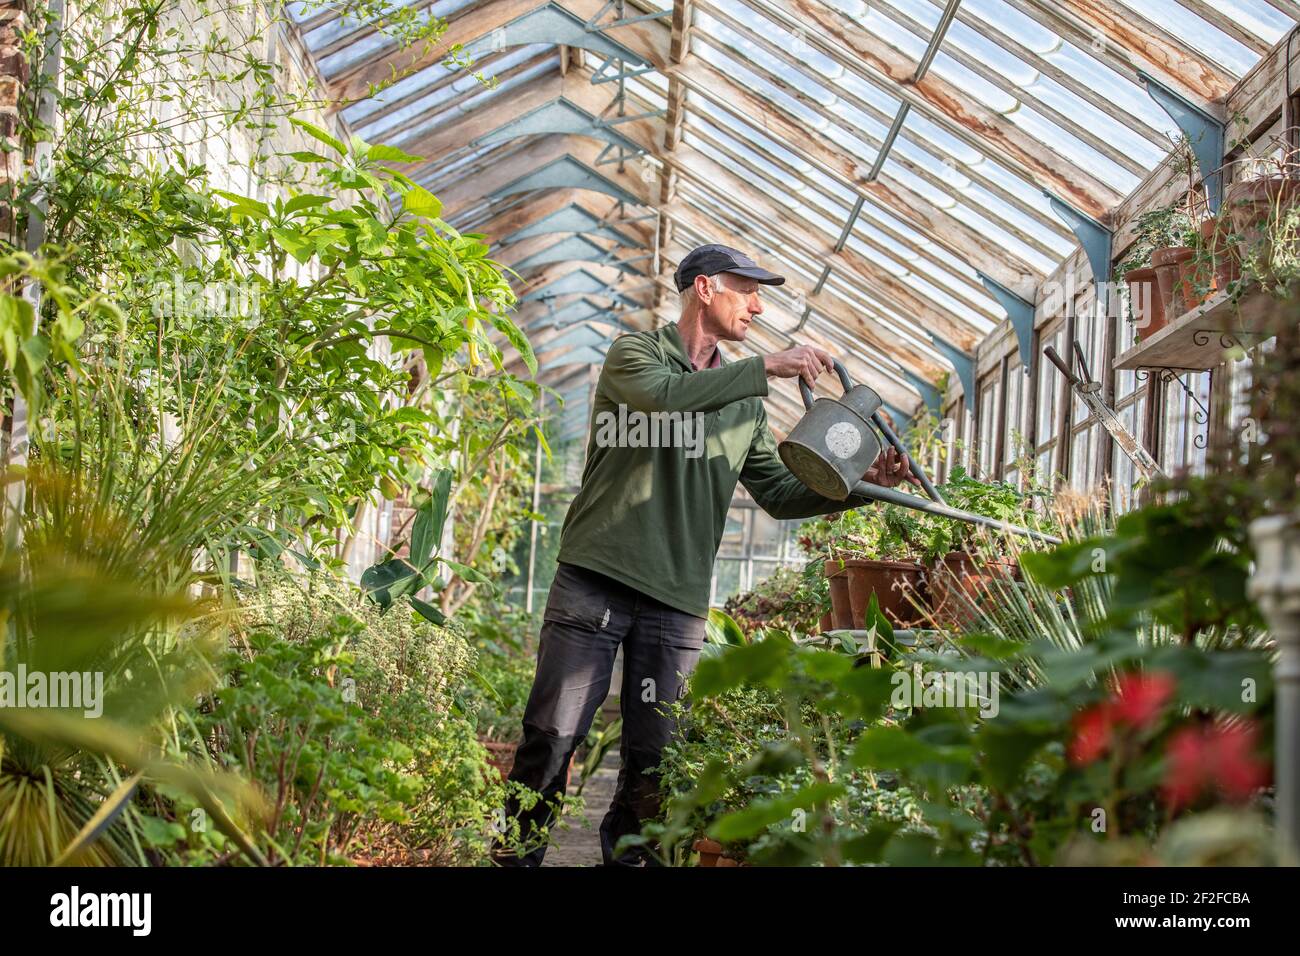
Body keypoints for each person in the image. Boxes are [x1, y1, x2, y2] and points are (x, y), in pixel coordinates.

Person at [493, 243, 915, 866]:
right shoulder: (634, 356)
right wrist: (767, 366)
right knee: (552, 737)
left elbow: (776, 491)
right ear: (706, 288)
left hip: (677, 599)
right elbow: (666, 398)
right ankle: (514, 860)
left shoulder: (743, 404)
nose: (759, 305)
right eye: (749, 290)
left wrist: (862, 485)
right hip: (596, 580)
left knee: (654, 761)